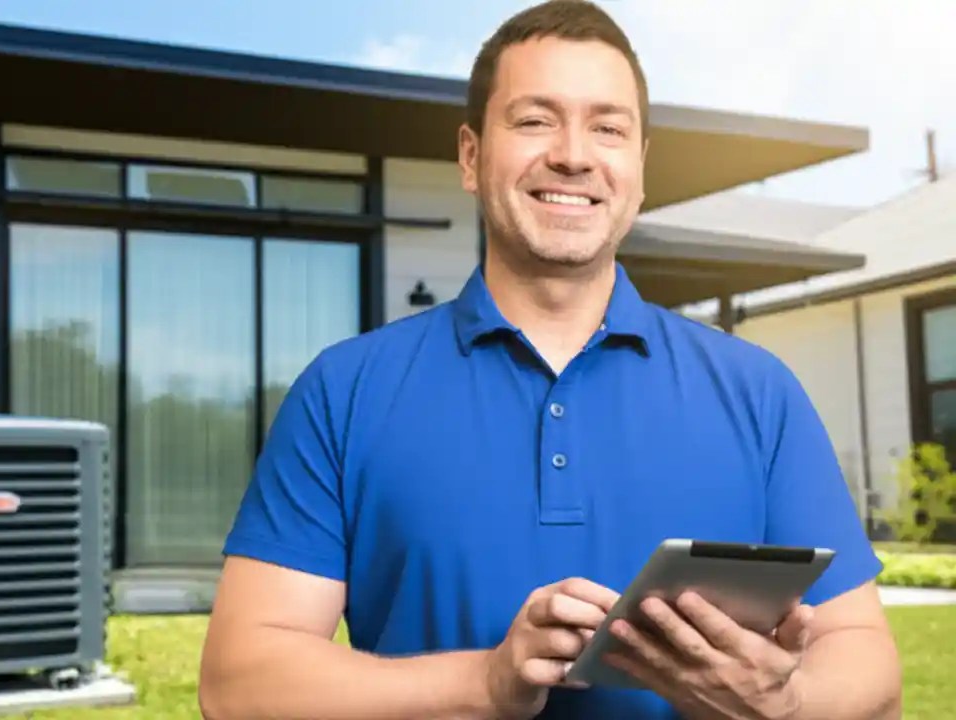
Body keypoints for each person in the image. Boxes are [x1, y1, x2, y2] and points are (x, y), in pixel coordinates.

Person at [198, 1, 903, 717]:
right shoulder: (342, 392)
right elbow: (237, 687)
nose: (573, 153)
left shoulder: (759, 393)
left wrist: (782, 706)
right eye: (535, 120)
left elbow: (867, 662)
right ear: (471, 157)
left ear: (640, 167)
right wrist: (487, 682)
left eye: (608, 127)